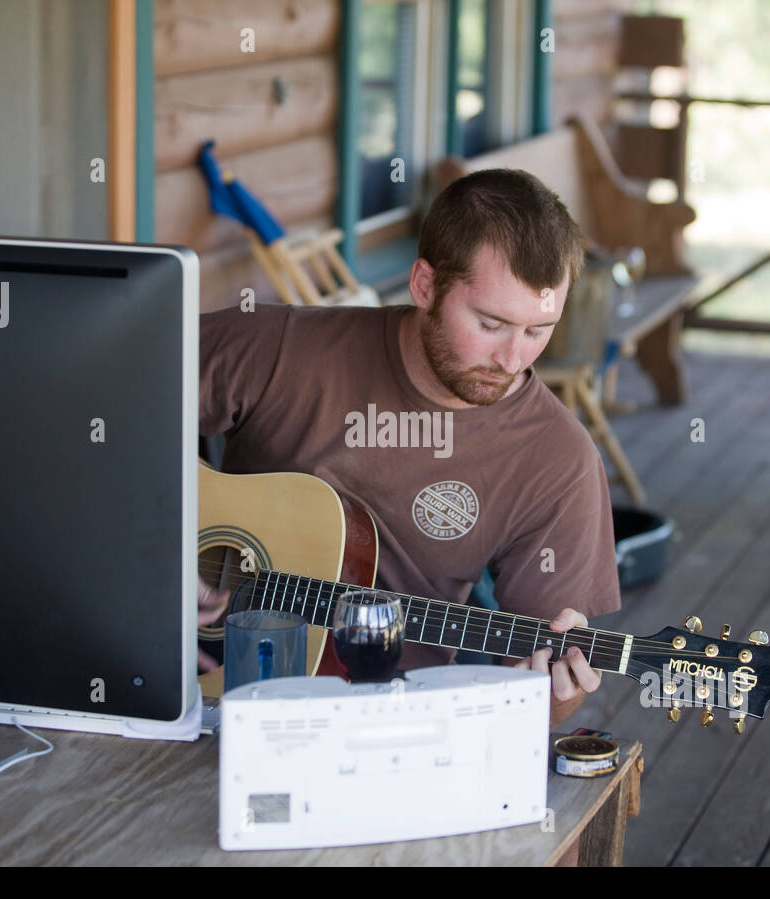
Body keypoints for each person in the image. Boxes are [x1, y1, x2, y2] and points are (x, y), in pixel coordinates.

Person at [197, 169, 620, 727]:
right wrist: (164, 553)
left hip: (388, 730)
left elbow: (543, 699)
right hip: (183, 691)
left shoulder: (558, 459)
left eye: (539, 330)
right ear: (425, 285)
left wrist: (556, 690)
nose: (514, 359)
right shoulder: (280, 350)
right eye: (491, 323)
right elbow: (96, 414)